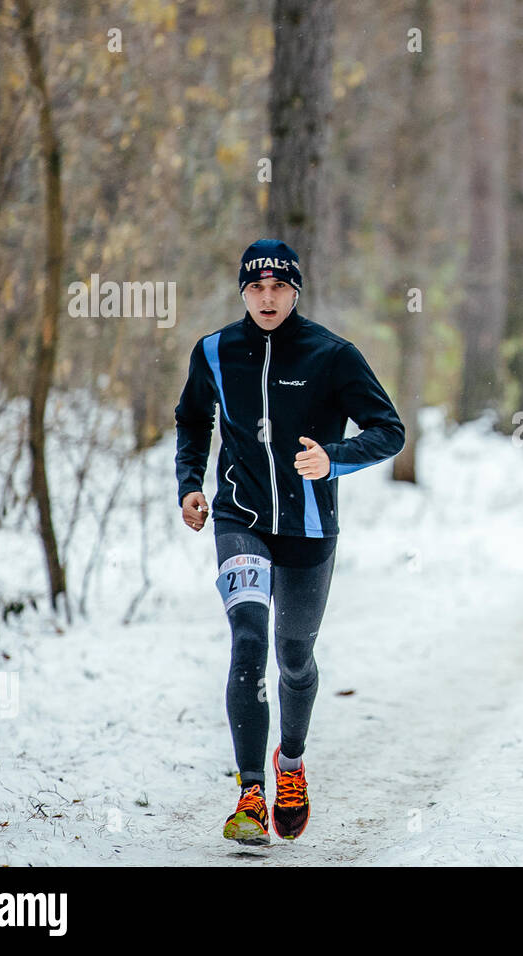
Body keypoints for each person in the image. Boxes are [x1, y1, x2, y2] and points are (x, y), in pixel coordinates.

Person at [174, 239, 405, 845]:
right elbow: (193, 418)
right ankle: (250, 791)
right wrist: (188, 485)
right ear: (243, 292)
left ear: (296, 291)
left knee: (294, 657)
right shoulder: (216, 352)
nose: (267, 298)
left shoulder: (332, 354)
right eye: (256, 288)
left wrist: (336, 460)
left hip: (309, 529)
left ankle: (291, 764)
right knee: (248, 638)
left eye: (279, 288)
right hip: (239, 518)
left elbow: (390, 431)